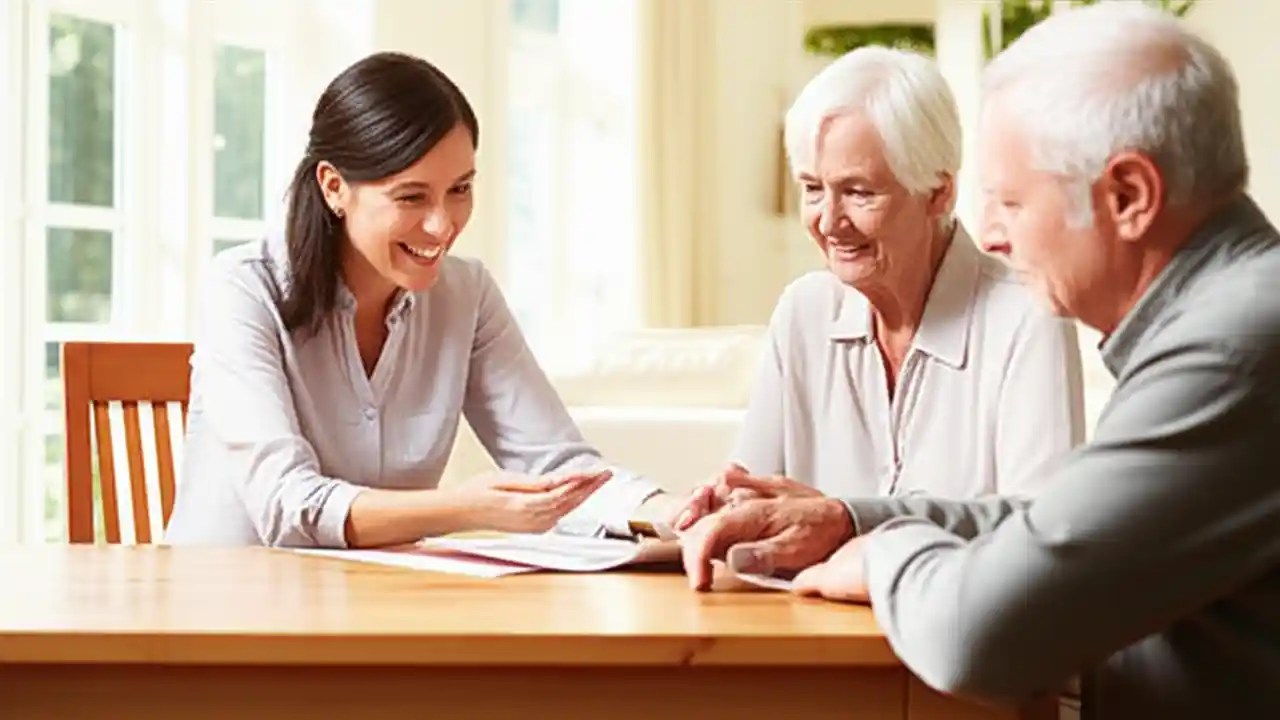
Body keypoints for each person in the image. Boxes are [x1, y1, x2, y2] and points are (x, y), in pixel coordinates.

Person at [680, 4, 1280, 718]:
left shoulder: (1230, 352)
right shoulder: (1230, 318)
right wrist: (852, 519)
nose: (990, 236)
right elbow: (1060, 530)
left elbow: (980, 636)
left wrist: (881, 554)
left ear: (1129, 196)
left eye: (1013, 202)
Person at [165, 52, 665, 548]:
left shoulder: (467, 296)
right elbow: (286, 506)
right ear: (334, 186)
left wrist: (676, 512)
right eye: (412, 197)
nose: (443, 225)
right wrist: (463, 508)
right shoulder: (243, 289)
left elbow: (559, 467)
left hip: (376, 607)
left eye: (460, 189)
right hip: (225, 607)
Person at [669, 47, 1083, 531]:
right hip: (800, 605)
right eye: (813, 188)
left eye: (859, 192)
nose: (828, 222)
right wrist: (720, 507)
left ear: (938, 193)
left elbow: (1045, 529)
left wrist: (845, 523)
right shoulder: (804, 312)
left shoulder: (1027, 316)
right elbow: (751, 495)